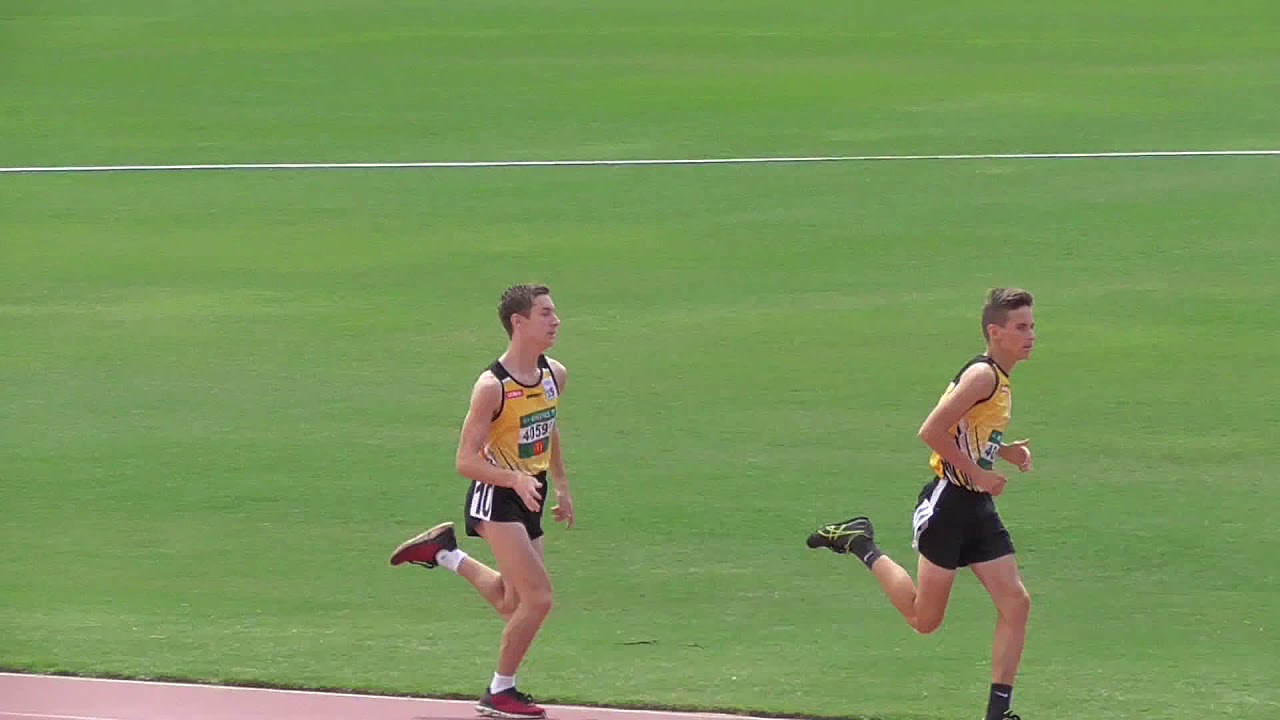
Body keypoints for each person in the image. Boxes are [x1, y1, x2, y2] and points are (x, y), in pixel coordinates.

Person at [806, 288, 1037, 720]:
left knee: (1016, 603)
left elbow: (970, 430)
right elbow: (931, 431)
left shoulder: (997, 379)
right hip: (948, 504)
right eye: (1021, 327)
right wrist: (981, 475)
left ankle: (997, 713)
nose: (1031, 335)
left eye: (1032, 325)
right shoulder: (983, 377)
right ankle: (860, 543)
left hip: (977, 508)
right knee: (924, 619)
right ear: (995, 332)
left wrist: (1004, 453)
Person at [391, 283, 574, 720]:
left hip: (532, 492)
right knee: (540, 599)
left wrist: (563, 486)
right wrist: (513, 478)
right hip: (498, 496)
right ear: (519, 323)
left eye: (555, 312)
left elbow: (547, 427)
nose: (556, 321)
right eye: (545, 313)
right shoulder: (491, 387)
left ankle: (445, 553)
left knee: (514, 602)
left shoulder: (555, 375)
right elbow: (465, 461)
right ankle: (499, 691)